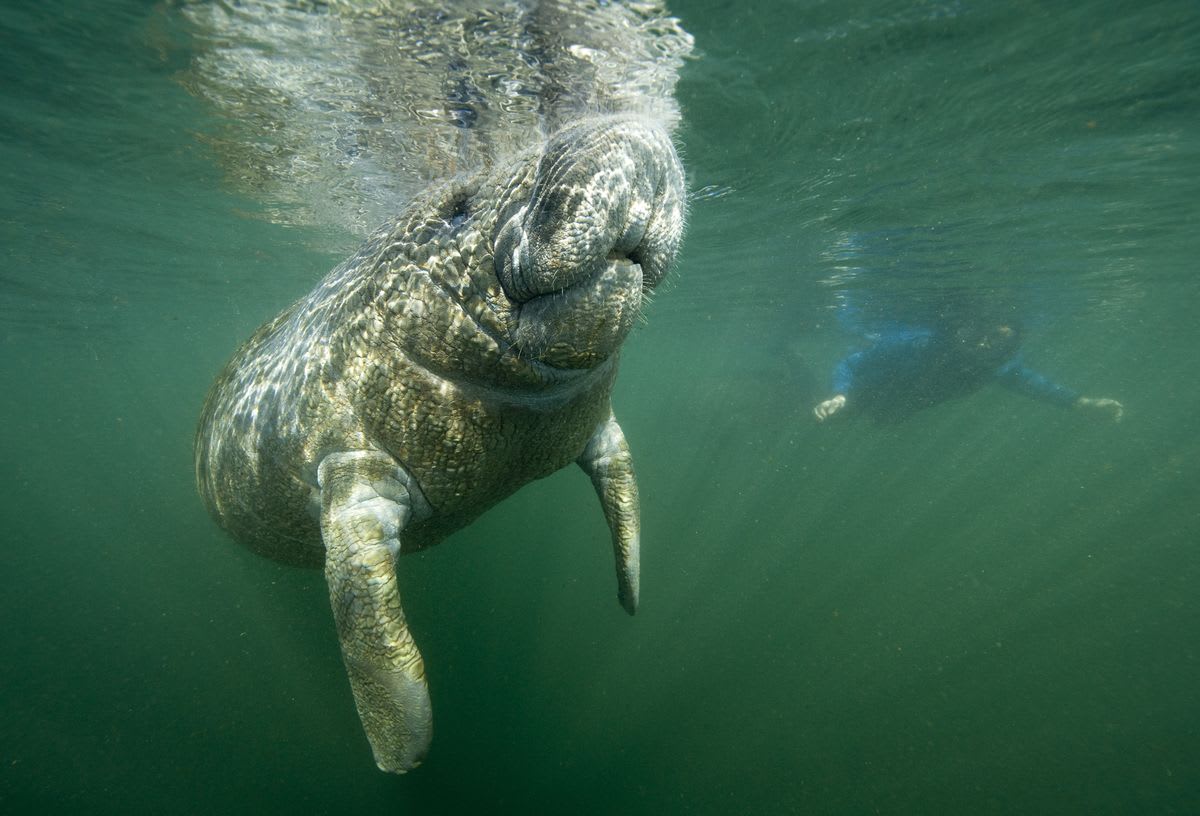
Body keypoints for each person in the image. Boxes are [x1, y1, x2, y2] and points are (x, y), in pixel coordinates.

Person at [812, 318, 1124, 423]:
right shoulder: (922, 344)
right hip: (847, 400)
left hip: (883, 412)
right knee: (796, 407)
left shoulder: (991, 369)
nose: (987, 346)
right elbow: (853, 362)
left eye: (999, 343)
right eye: (983, 335)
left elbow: (1033, 384)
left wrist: (1080, 403)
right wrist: (840, 394)